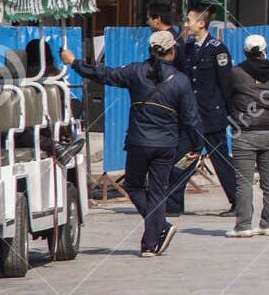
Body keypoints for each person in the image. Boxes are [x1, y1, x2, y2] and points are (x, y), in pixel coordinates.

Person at [63, 31, 203, 257]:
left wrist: (74, 63)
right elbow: (191, 118)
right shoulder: (181, 81)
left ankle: (158, 231)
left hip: (138, 141)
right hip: (167, 144)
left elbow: (103, 74)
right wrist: (197, 145)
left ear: (150, 50)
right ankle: (152, 239)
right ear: (173, 52)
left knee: (135, 186)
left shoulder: (135, 72)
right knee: (158, 193)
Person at [171, 5, 237, 217]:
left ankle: (238, 202)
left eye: (189, 20)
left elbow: (226, 84)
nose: (185, 24)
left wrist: (230, 113)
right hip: (190, 116)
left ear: (201, 23)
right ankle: (173, 204)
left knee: (221, 161)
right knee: (182, 159)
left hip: (212, 116)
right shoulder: (187, 48)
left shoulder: (218, 49)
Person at [225, 34, 269, 238]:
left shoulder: (236, 73)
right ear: (265, 50)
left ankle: (243, 226)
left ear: (245, 51)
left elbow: (227, 98)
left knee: (244, 182)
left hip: (244, 132)